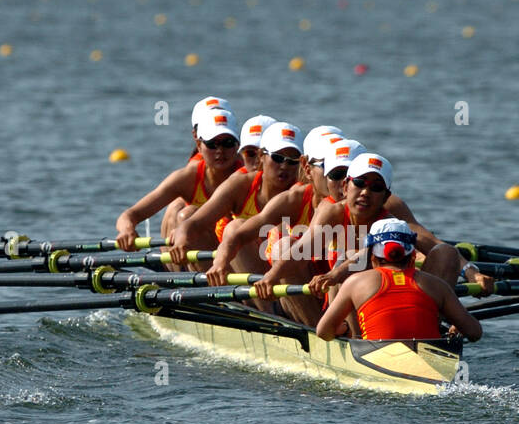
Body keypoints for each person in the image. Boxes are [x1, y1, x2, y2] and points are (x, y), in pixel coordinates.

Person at [254, 152, 494, 326]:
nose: (366, 192)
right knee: (337, 259)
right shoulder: (332, 212)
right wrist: (270, 279)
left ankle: (428, 325)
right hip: (345, 306)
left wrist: (473, 274)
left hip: (392, 305)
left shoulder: (391, 221)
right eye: (359, 183)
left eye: (376, 187)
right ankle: (339, 335)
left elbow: (434, 244)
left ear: (386, 196)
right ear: (347, 187)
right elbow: (302, 252)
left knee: (446, 254)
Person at [316, 218, 483, 343]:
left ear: (372, 257)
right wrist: (457, 324)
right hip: (431, 363)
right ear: (412, 257)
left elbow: (323, 331)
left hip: (375, 359)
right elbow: (475, 332)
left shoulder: (355, 282)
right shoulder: (437, 285)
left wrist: (342, 329)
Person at [168, 122, 304, 266]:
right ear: (262, 156)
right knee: (232, 227)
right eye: (277, 158)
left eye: (292, 161)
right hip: (245, 264)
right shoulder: (239, 184)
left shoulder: (302, 191)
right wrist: (182, 239)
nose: (284, 166)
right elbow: (194, 223)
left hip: (290, 271)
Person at [114, 108, 244, 251]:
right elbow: (130, 214)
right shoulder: (187, 177)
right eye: (212, 144)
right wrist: (127, 230)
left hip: (239, 254)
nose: (220, 150)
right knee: (183, 213)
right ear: (199, 146)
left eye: (228, 142)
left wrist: (185, 230)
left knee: (193, 219)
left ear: (238, 144)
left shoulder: (249, 177)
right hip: (207, 254)